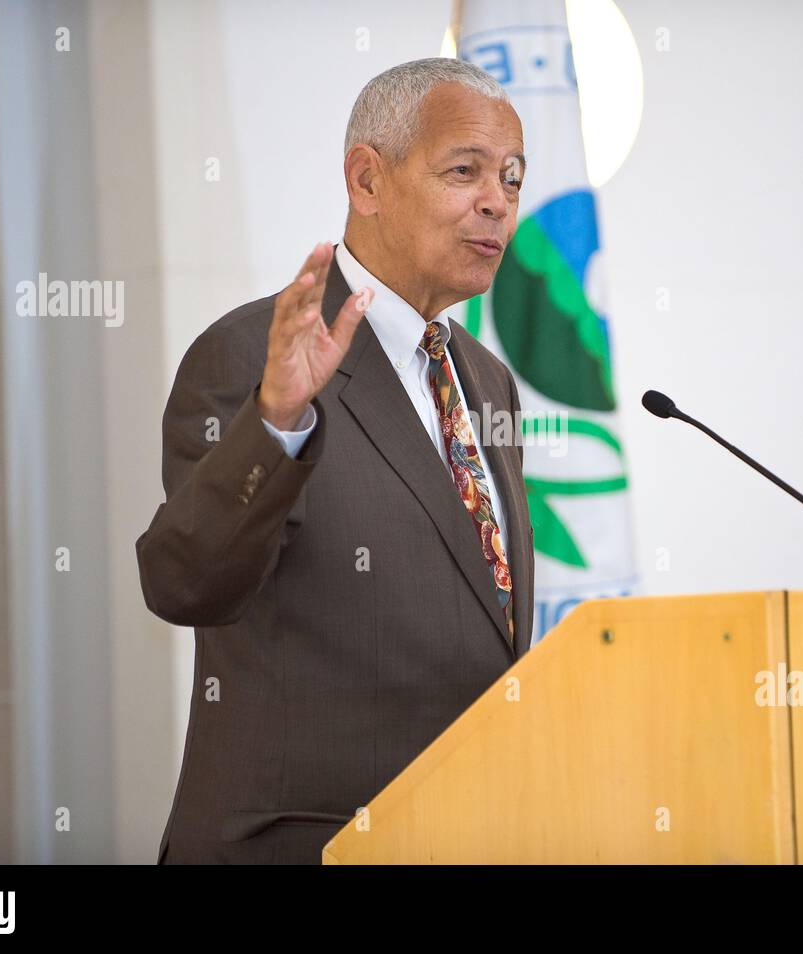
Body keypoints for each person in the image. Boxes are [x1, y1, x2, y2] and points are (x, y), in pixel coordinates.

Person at [136, 57, 534, 863]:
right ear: (367, 180)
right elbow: (185, 584)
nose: (497, 201)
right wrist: (277, 422)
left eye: (513, 179)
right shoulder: (251, 357)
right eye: (465, 171)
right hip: (304, 846)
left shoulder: (487, 380)